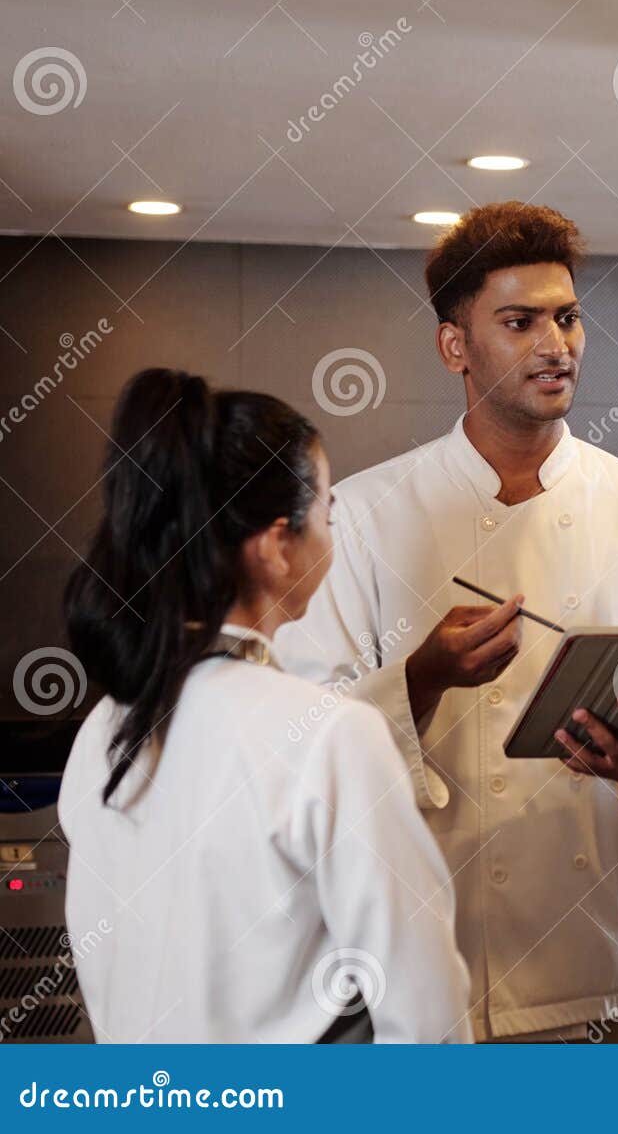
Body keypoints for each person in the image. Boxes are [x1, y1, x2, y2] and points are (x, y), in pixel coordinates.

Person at [276, 202, 618, 1042]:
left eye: (568, 318)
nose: (555, 345)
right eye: (519, 322)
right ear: (455, 346)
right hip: (421, 968)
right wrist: (421, 677)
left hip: (602, 971)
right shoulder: (366, 516)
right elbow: (303, 728)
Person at [59, 369, 469, 1043]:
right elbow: (428, 1019)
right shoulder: (333, 738)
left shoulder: (104, 733)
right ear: (277, 546)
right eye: (327, 514)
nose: (330, 537)